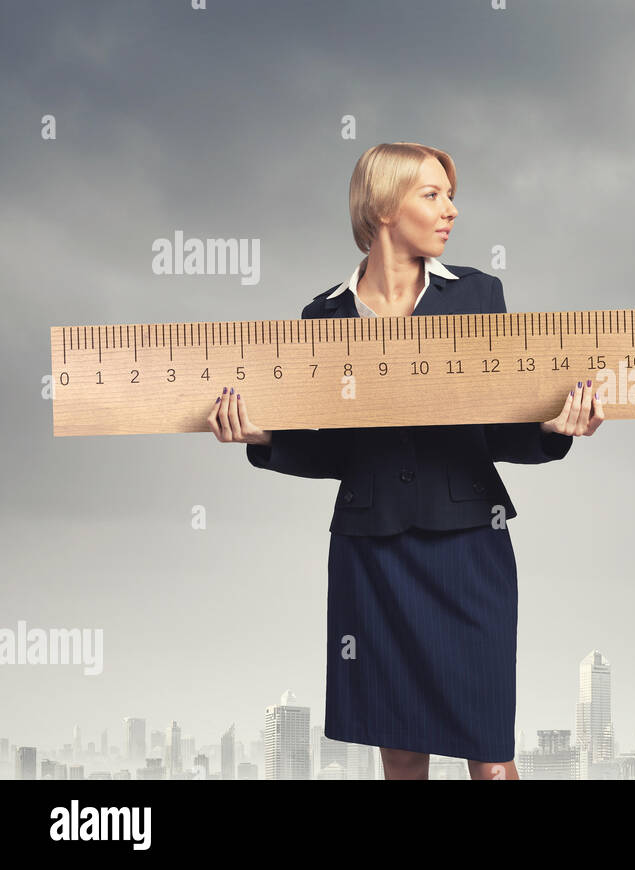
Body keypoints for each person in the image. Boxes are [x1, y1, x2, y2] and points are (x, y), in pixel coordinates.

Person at [206, 142, 603, 780]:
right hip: (373, 551)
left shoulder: (478, 296)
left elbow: (495, 431)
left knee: (491, 755)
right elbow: (338, 451)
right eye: (433, 195)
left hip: (471, 546)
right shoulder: (324, 318)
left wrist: (556, 431)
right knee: (399, 753)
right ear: (386, 207)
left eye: (450, 195)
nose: (451, 210)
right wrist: (263, 438)